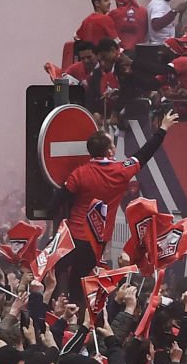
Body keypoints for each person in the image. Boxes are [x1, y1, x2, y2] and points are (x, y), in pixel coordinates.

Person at [53, 108, 178, 290]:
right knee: (81, 286)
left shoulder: (79, 174)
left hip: (70, 236)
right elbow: (145, 153)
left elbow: (58, 200)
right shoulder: (121, 171)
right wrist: (163, 129)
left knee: (56, 280)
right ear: (110, 152)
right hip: (96, 242)